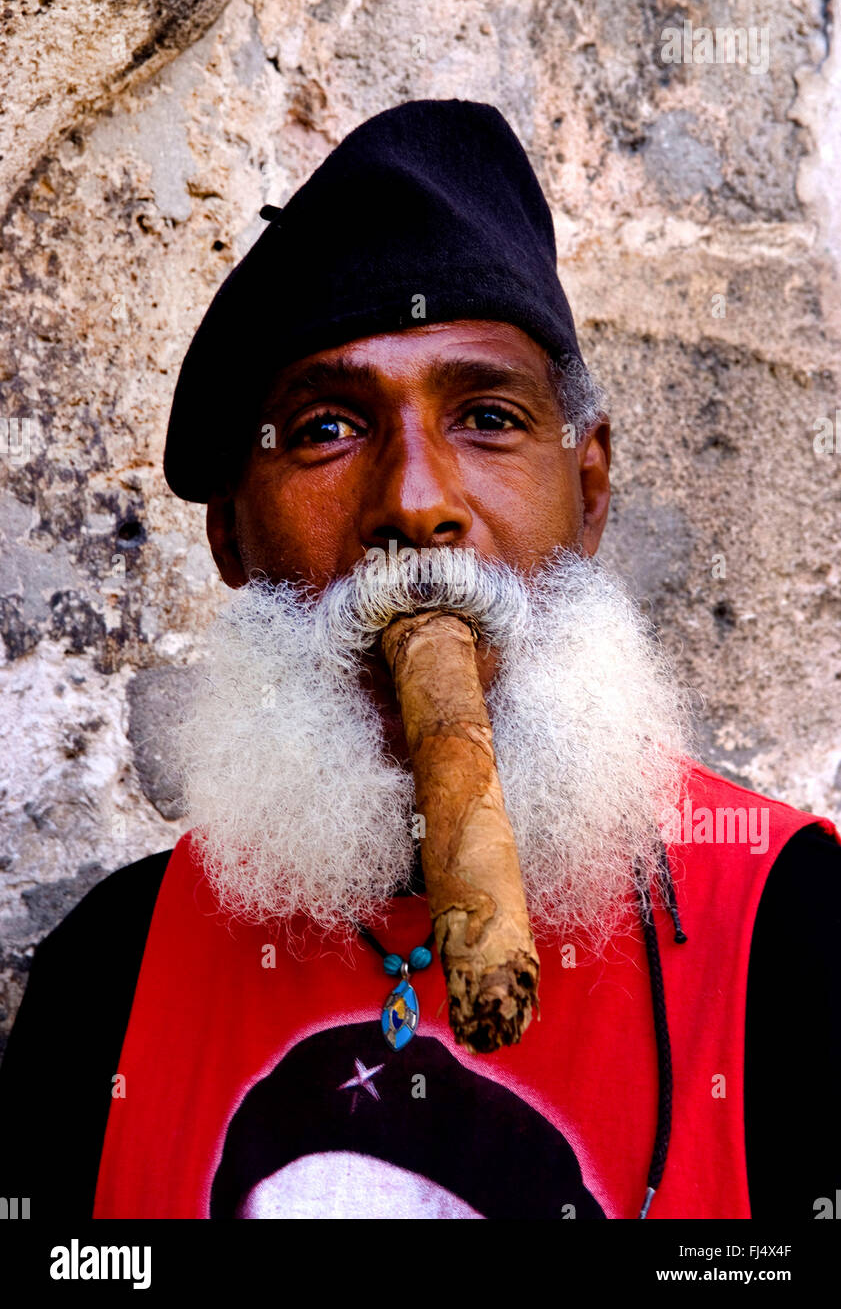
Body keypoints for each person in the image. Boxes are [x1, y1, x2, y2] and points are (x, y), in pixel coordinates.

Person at [1, 99, 839, 1221]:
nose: (414, 500)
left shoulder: (796, 936)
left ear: (588, 491)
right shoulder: (110, 976)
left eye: (488, 416)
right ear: (232, 538)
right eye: (327, 429)